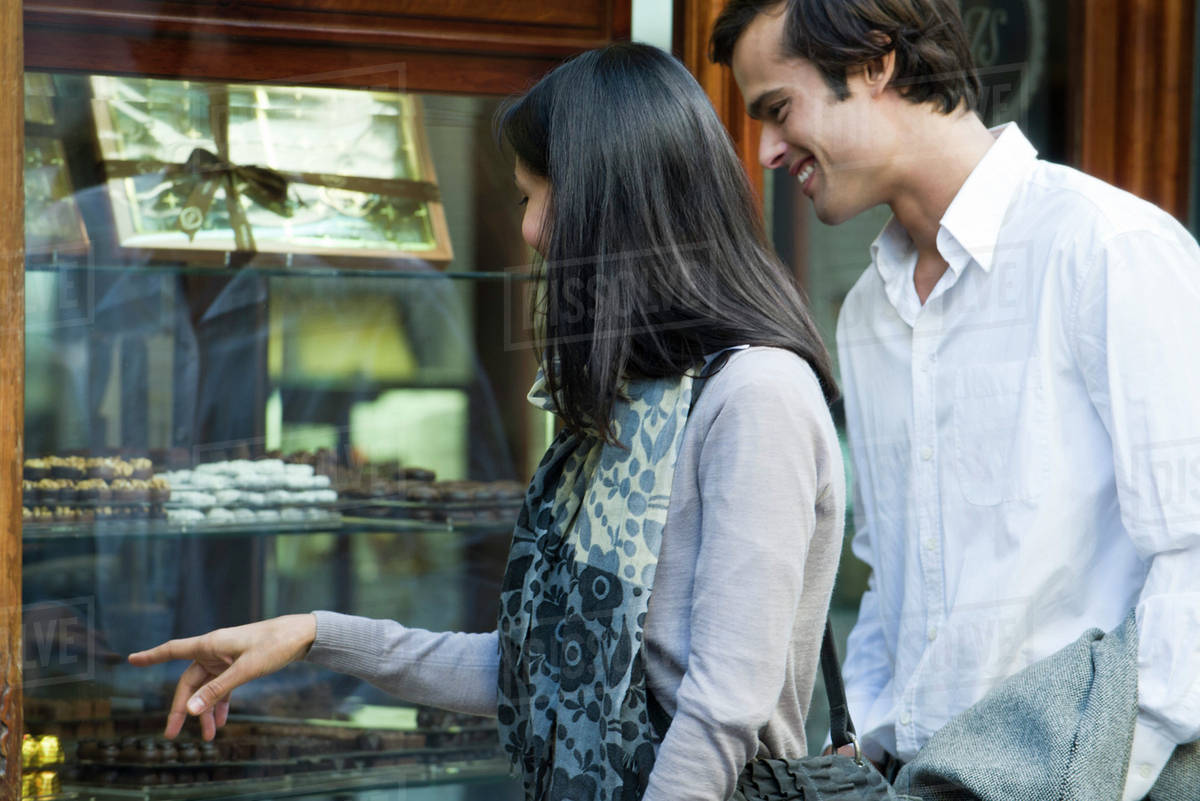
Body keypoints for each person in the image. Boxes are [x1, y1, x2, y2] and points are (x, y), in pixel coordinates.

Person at [130, 43, 847, 801]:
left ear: (604, 204)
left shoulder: (756, 395)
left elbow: (721, 712)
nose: (531, 229)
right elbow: (527, 668)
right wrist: (310, 633)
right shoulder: (632, 400)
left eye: (534, 196)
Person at [709, 1, 1200, 799]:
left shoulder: (1107, 248)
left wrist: (1104, 771)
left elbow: (1193, 552)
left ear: (875, 63)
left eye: (778, 108)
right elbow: (893, 580)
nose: (764, 149)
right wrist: (868, 745)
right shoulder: (868, 313)